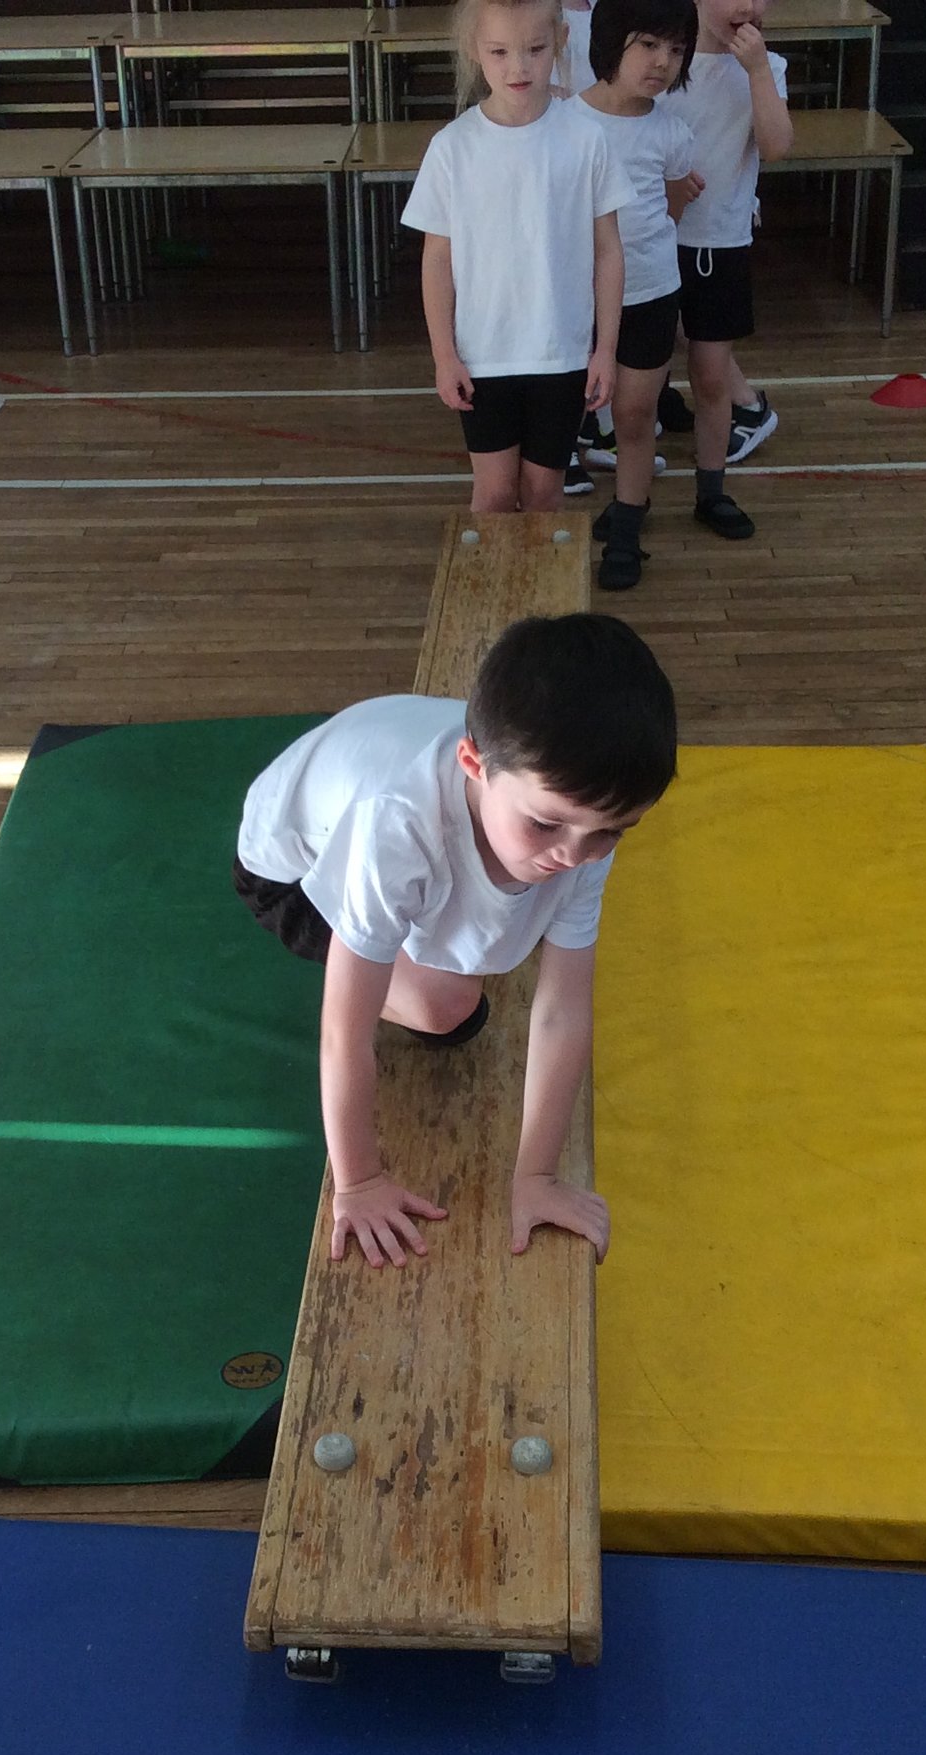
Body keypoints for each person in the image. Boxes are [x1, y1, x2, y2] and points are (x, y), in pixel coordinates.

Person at [232, 614, 678, 1269]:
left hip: (380, 766)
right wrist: (358, 1182)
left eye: (613, 832)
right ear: (476, 765)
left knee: (484, 934)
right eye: (546, 824)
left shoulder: (580, 819)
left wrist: (538, 1176)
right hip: (289, 871)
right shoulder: (398, 826)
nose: (576, 855)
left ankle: (436, 909)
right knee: (449, 1008)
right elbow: (342, 1032)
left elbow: (562, 1009)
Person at [405, 0, 631, 512]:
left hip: (562, 354)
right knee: (494, 491)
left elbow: (608, 251)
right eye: (500, 52)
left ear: (560, 42)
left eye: (535, 49)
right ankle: (491, 593)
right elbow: (437, 261)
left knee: (544, 490)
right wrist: (445, 355)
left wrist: (605, 349)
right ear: (474, 51)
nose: (519, 67)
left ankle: (539, 596)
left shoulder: (586, 140)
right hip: (484, 356)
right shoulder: (452, 148)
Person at [571, 0, 704, 590]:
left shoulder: (671, 132)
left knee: (634, 414)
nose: (663, 62)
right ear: (610, 41)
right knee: (572, 409)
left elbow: (672, 204)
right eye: (649, 44)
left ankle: (627, 522)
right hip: (578, 298)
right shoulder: (567, 124)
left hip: (651, 292)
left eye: (676, 50)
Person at [663, 0, 793, 535]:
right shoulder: (665, 59)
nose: (749, 7)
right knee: (642, 379)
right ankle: (632, 499)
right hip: (653, 241)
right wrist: (667, 184)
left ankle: (711, 490)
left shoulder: (768, 68)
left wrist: (759, 72)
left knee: (711, 377)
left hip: (720, 244)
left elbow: (777, 146)